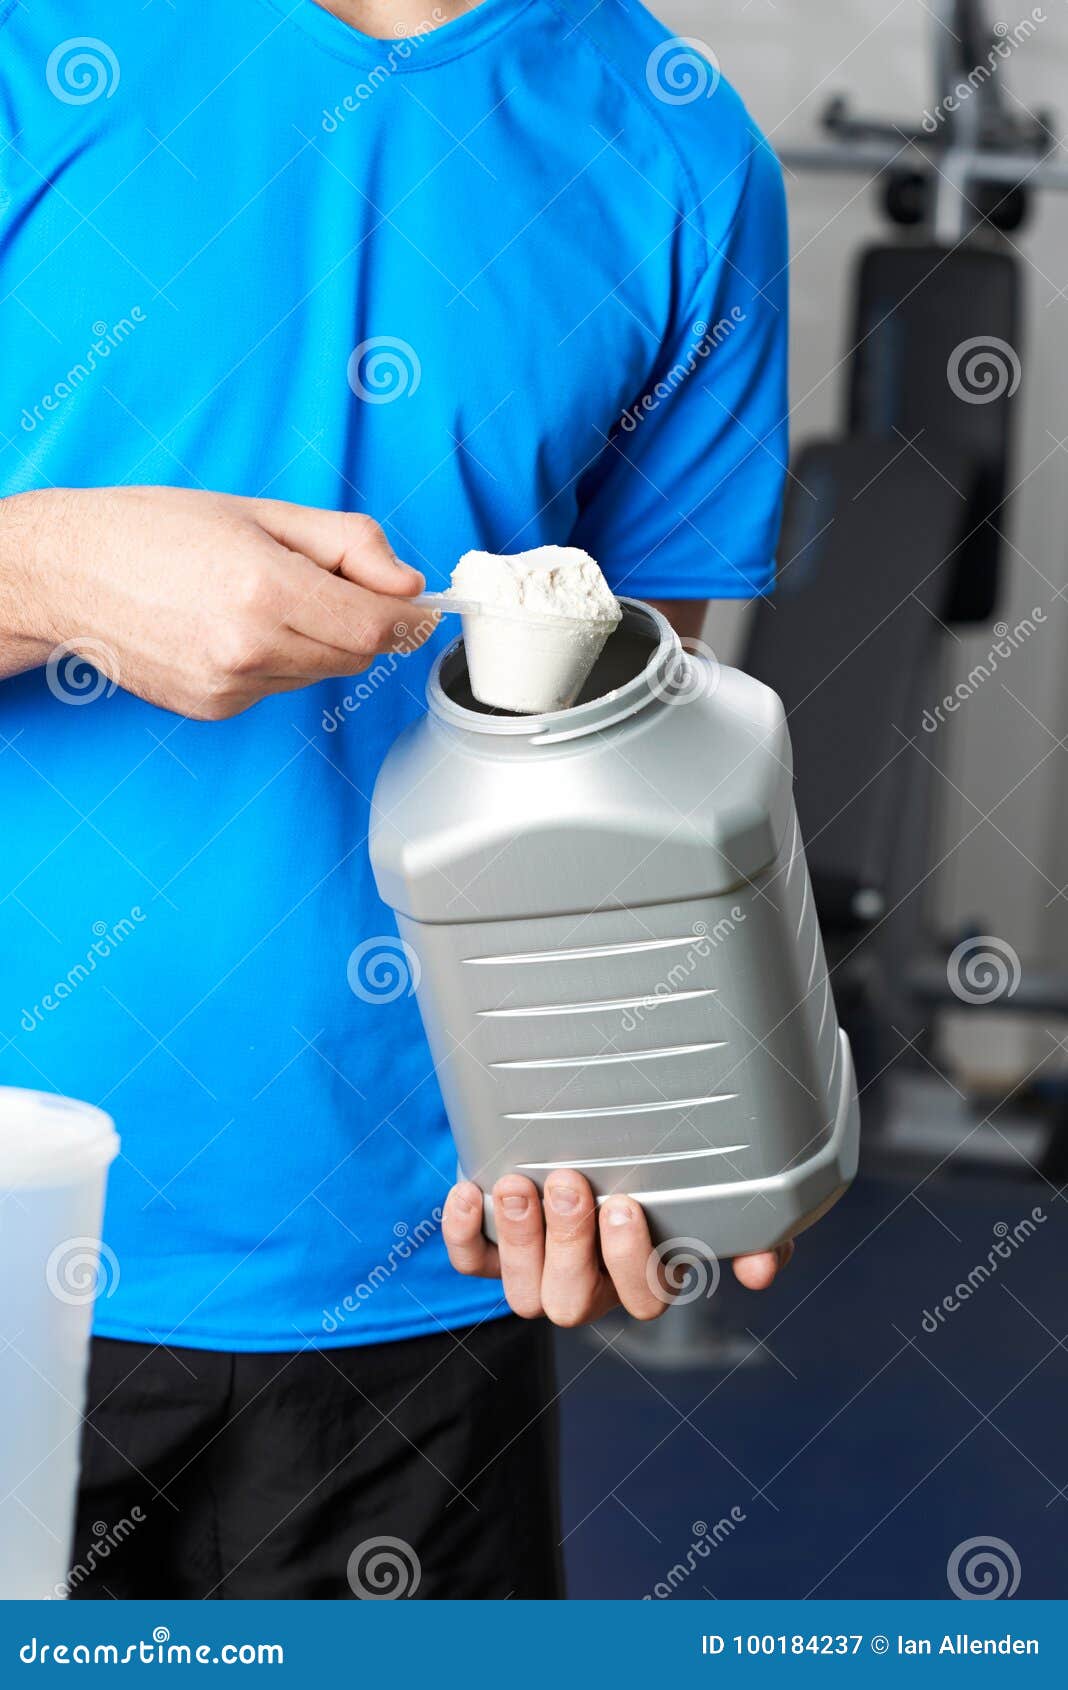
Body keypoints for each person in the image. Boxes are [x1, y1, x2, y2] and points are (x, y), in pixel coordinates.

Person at [0, 0, 790, 1598]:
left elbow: (631, 767)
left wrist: (659, 1111)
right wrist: (46, 572)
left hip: (423, 1266)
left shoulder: (685, 145)